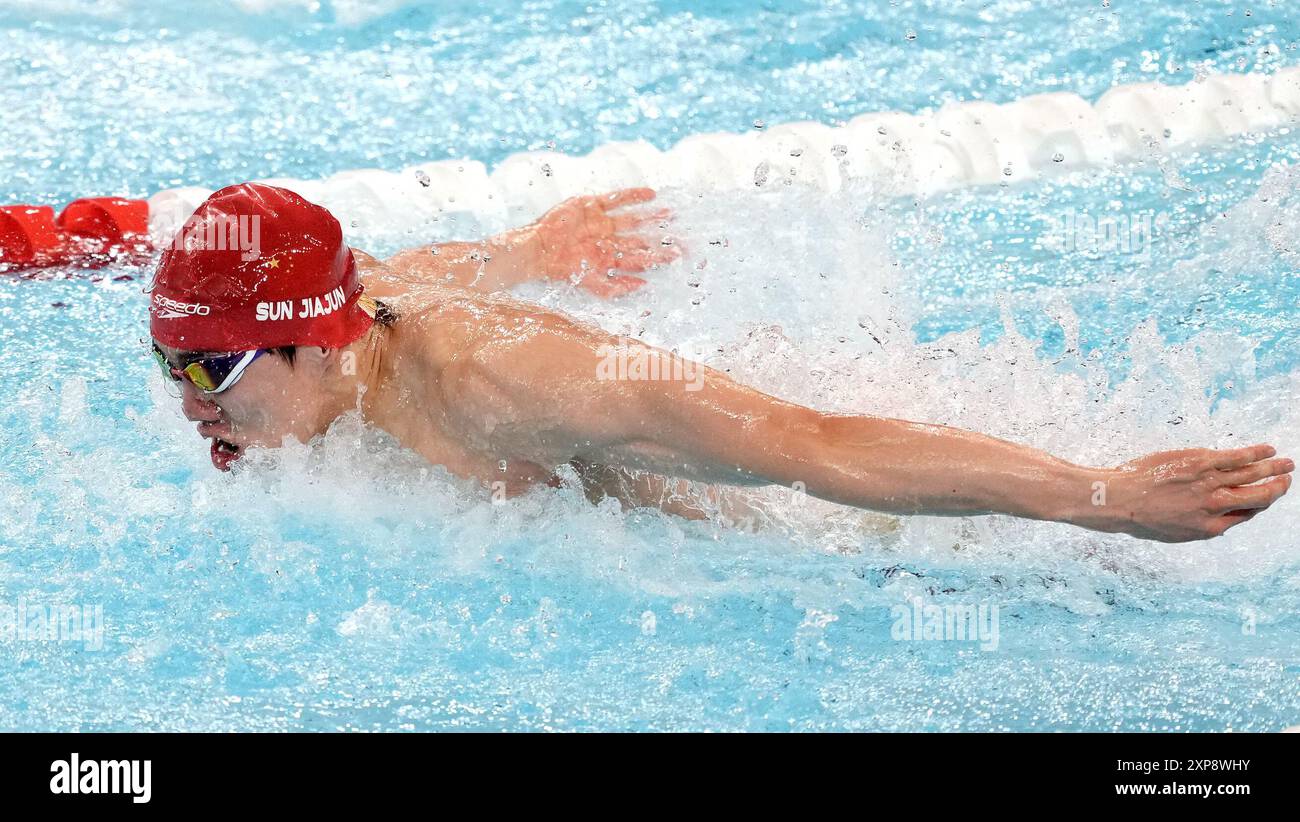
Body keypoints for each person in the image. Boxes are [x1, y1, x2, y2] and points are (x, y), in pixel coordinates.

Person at [149, 183, 1292, 542]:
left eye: (210, 371)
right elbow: (411, 262)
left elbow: (807, 446)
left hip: (802, 528)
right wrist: (534, 248)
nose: (186, 400)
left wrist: (1101, 494)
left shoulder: (513, 385)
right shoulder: (339, 336)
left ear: (318, 338)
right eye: (168, 363)